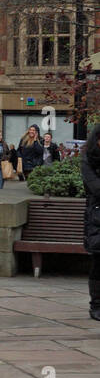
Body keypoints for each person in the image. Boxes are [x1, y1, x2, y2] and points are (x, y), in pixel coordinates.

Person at [81, 125, 100, 321]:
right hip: (97, 218)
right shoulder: (88, 160)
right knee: (98, 264)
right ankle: (96, 305)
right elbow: (96, 188)